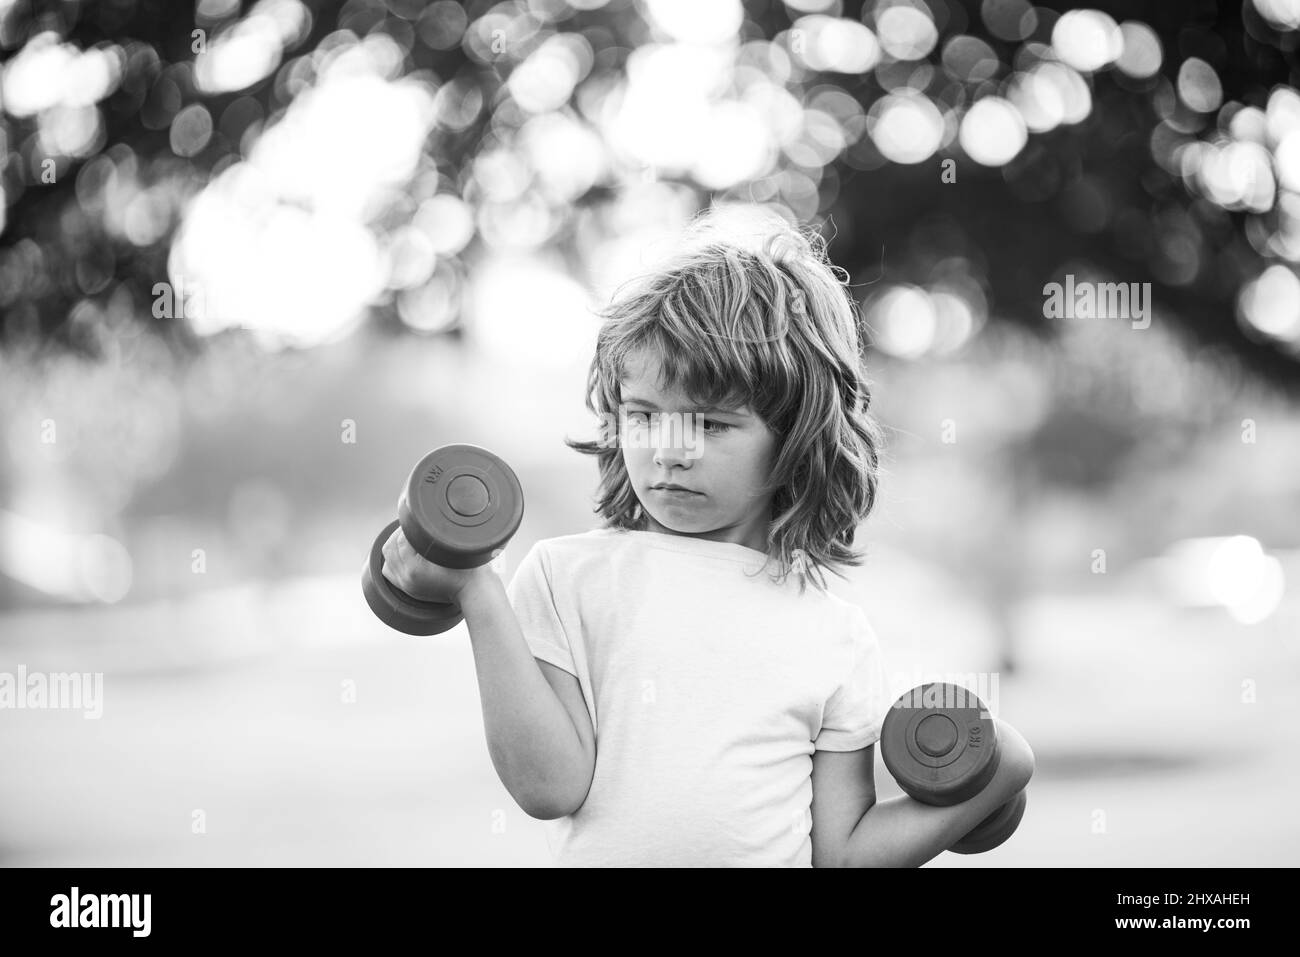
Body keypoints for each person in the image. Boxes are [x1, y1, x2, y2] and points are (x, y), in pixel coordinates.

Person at [380, 206, 1034, 866]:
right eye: (643, 415)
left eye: (713, 424)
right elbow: (549, 785)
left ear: (795, 439)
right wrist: (474, 588)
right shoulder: (567, 578)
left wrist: (996, 772)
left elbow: (842, 855)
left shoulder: (836, 636)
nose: (669, 451)